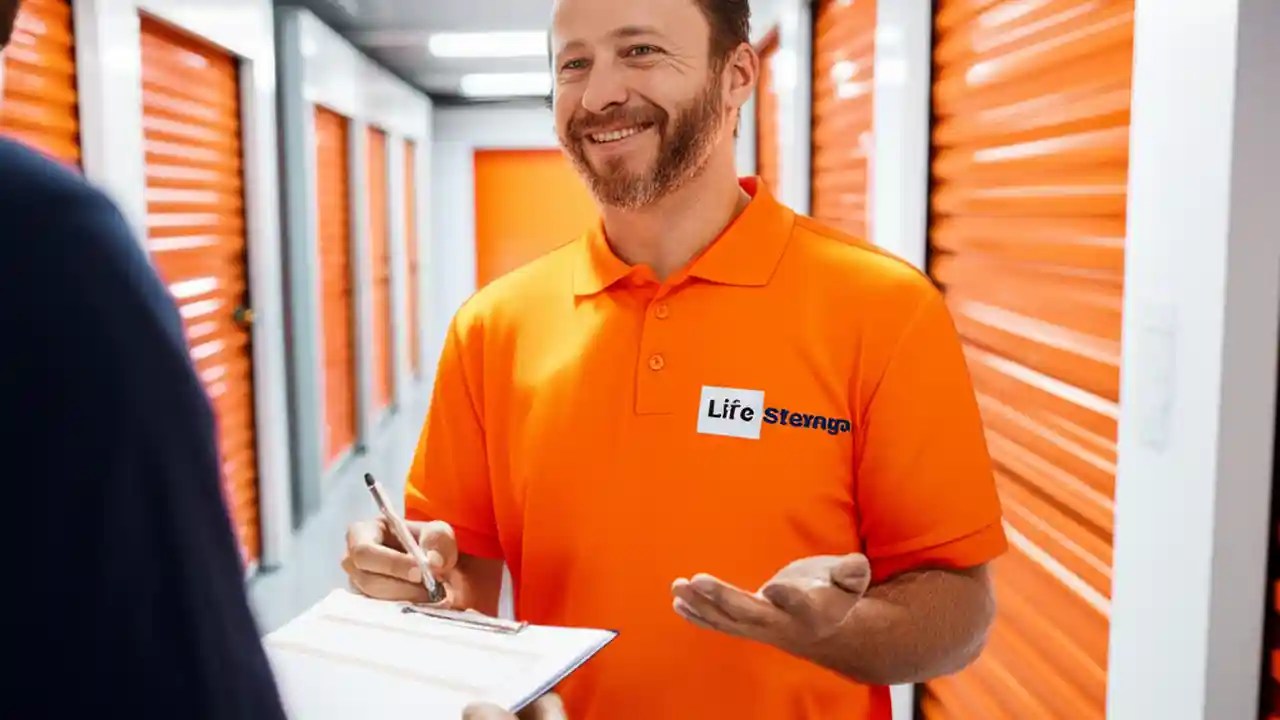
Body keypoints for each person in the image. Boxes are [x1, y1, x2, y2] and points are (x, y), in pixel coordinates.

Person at [342, 0, 1008, 718]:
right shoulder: (492, 327)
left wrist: (836, 632)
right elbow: (459, 584)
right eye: (574, 64)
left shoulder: (882, 308)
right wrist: (416, 582)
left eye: (641, 51)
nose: (599, 95)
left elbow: (960, 612)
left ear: (737, 74)